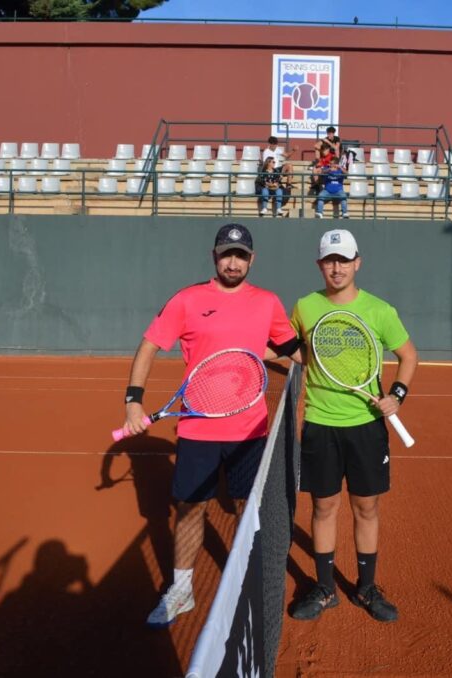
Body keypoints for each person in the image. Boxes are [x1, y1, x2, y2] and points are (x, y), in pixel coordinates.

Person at [121, 222, 301, 628]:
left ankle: (246, 584)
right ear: (214, 256)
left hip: (250, 431)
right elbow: (149, 345)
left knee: (246, 510)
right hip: (198, 429)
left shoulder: (267, 302)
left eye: (240, 255)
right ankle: (182, 589)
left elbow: (290, 352)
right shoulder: (186, 300)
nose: (233, 262)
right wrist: (134, 401)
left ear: (251, 259)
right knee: (190, 510)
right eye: (226, 254)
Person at [287, 228, 418, 623]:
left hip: (366, 426)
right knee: (323, 506)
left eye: (344, 259)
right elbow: (294, 351)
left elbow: (408, 356)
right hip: (320, 424)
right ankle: (326, 588)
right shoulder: (305, 307)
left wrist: (396, 394)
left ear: (357, 262)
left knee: (366, 506)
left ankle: (366, 587)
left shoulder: (380, 310)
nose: (337, 267)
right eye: (330, 260)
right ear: (319, 265)